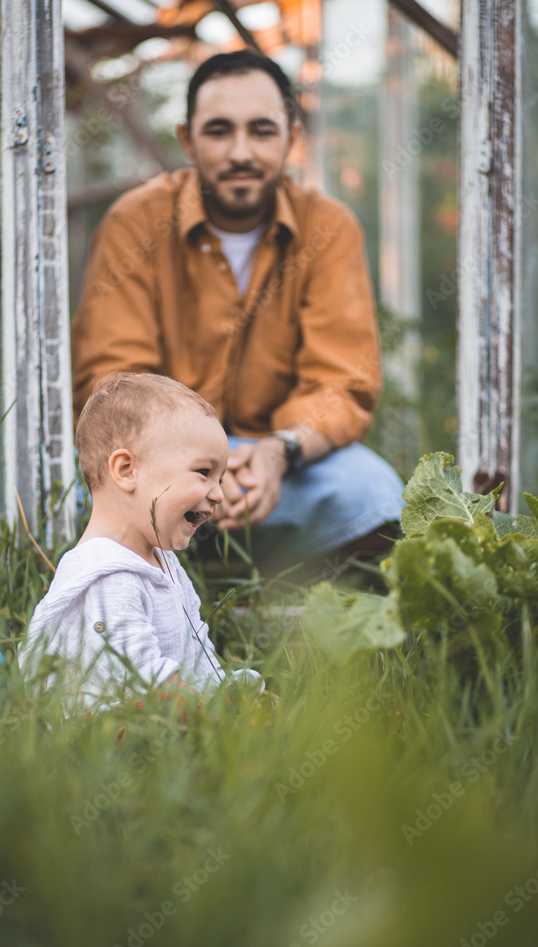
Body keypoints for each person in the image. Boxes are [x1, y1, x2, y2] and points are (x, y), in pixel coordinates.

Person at [71, 50, 404, 568]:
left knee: (376, 495)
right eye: (219, 131)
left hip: (276, 463)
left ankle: (296, 597)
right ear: (187, 139)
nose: (241, 152)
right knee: (84, 493)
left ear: (293, 138)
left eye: (263, 131)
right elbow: (113, 383)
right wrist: (197, 468)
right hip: (154, 459)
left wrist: (278, 451)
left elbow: (343, 383)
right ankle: (169, 581)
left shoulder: (329, 229)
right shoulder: (135, 222)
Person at [20, 372, 263, 710]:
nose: (218, 493)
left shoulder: (165, 565)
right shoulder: (108, 575)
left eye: (220, 478)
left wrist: (222, 691)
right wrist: (208, 710)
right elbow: (137, 673)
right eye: (204, 473)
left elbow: (197, 650)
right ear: (126, 470)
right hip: (108, 730)